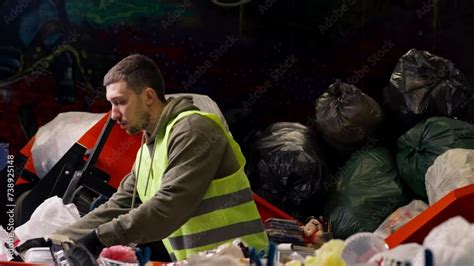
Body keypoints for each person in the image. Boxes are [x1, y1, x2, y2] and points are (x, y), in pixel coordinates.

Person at [17, 54, 269, 261]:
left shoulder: (194, 130)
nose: (113, 114)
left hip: (242, 258)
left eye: (120, 102)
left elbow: (167, 207)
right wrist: (59, 238)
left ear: (148, 96)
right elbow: (117, 206)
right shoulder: (149, 149)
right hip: (206, 260)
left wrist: (98, 239)